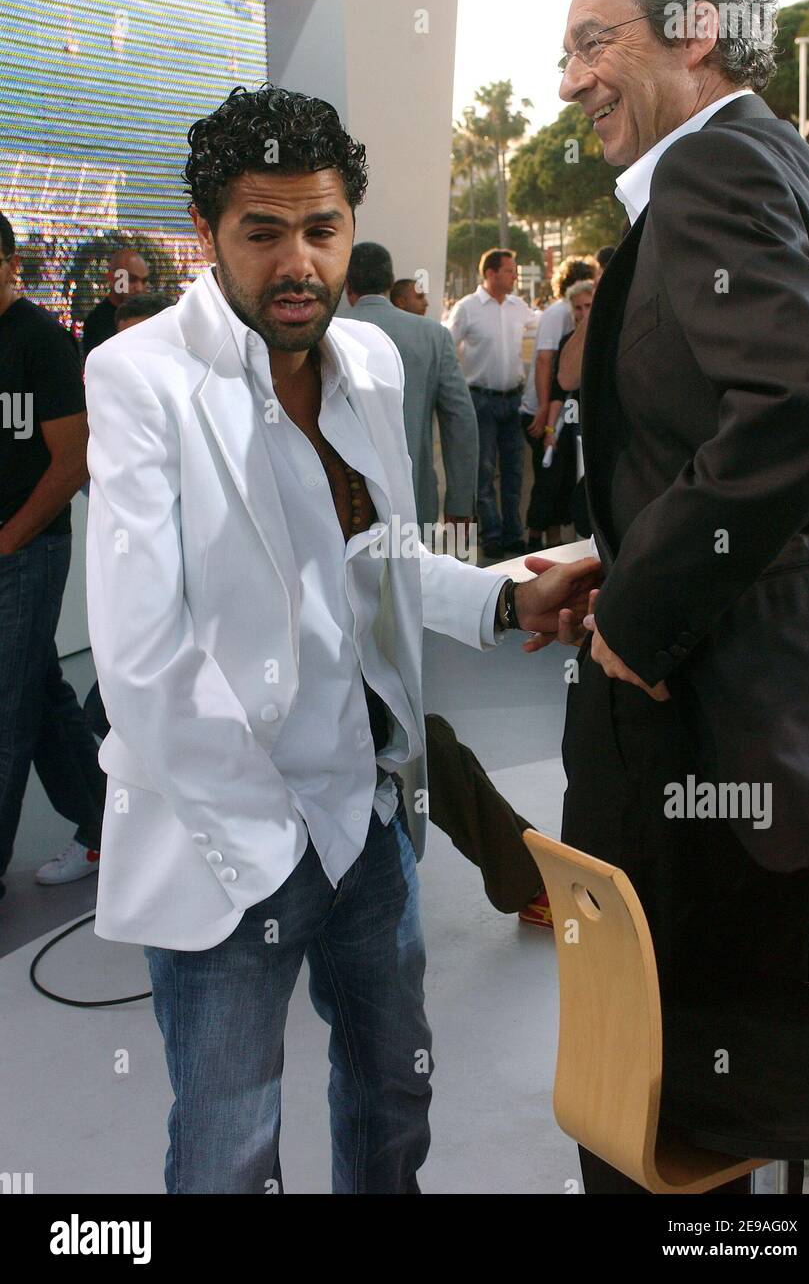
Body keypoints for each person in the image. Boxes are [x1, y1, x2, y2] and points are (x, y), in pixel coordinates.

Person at [83, 83, 603, 1194]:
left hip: (371, 816)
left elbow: (375, 557)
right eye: (261, 232)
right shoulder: (140, 381)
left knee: (392, 1096)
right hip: (231, 845)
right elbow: (142, 666)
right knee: (228, 1145)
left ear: (351, 230)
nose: (297, 262)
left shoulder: (364, 364)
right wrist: (274, 850)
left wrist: (508, 601)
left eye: (321, 229)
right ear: (206, 235)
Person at [555, 0, 809, 1194]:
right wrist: (623, 559)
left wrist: (635, 617)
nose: (568, 82)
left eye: (589, 43)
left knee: (657, 1090)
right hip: (757, 714)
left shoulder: (717, 167)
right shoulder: (776, 164)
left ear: (696, 34)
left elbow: (792, 402)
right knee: (701, 1075)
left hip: (709, 726)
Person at [0, 211, 104, 898]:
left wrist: (7, 541)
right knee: (38, 693)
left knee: (7, 709)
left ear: (8, 260)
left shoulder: (39, 342)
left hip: (28, 553)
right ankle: (107, 825)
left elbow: (73, 461)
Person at [346, 242, 478, 535]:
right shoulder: (433, 335)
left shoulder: (326, 334)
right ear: (390, 283)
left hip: (342, 506)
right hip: (414, 499)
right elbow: (460, 419)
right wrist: (459, 501)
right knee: (417, 578)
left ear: (346, 283)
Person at [446, 249, 534, 558]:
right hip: (480, 400)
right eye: (510, 271)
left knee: (513, 472)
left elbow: (536, 340)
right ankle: (492, 533)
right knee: (483, 471)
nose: (514, 277)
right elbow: (448, 346)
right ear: (491, 274)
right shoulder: (467, 308)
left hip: (514, 399)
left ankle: (513, 533)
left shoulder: (519, 307)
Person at [520, 258, 596, 552]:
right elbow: (557, 389)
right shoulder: (567, 340)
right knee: (550, 482)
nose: (583, 312)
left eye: (589, 306)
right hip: (565, 423)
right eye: (578, 307)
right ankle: (536, 541)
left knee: (571, 487)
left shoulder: (604, 337)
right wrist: (551, 428)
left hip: (588, 425)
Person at [81, 247, 149, 356]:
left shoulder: (151, 317)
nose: (139, 288)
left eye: (144, 281)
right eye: (131, 279)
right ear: (112, 279)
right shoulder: (97, 322)